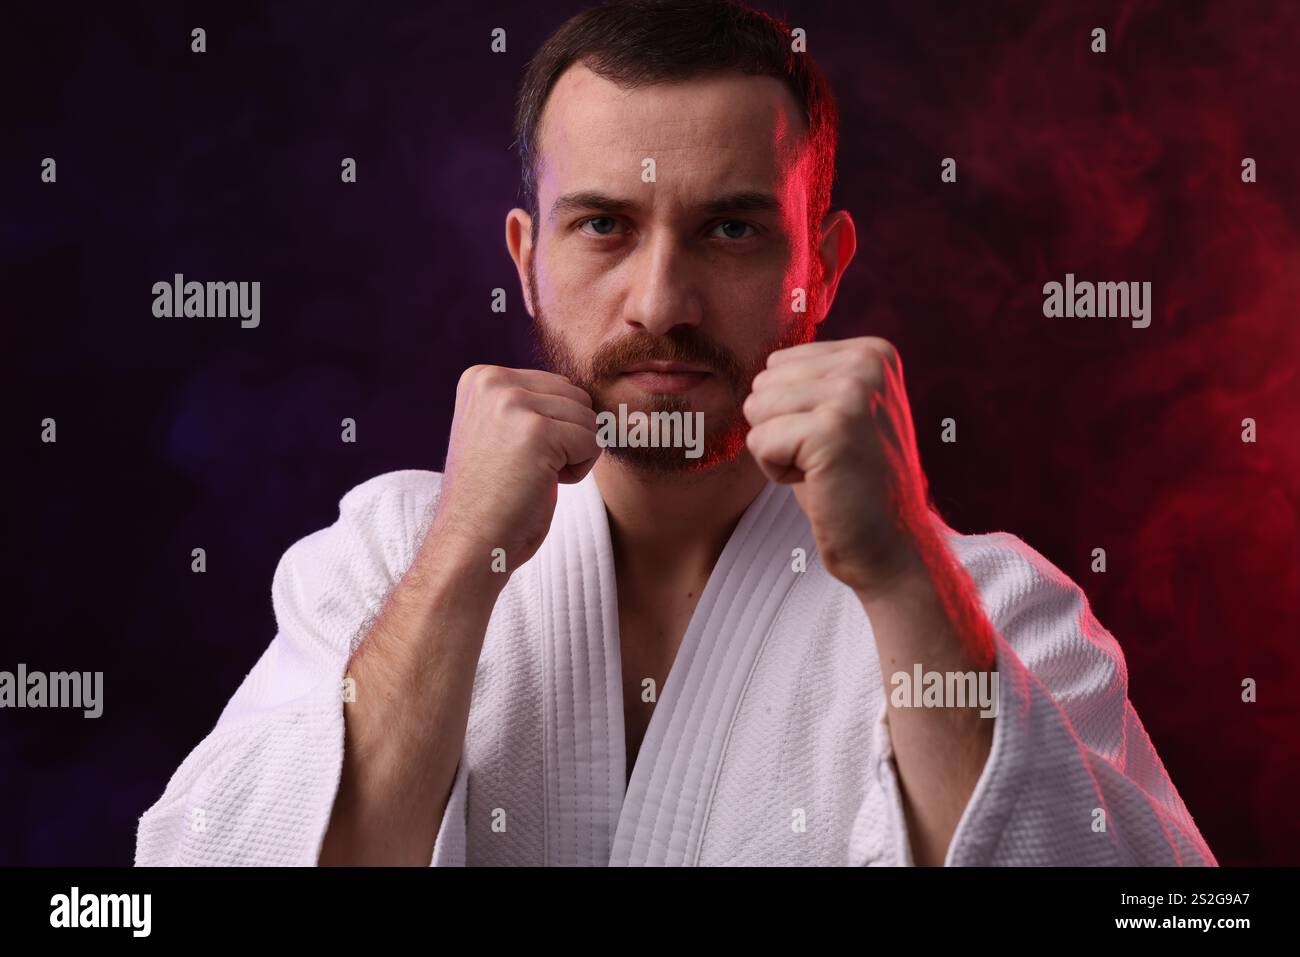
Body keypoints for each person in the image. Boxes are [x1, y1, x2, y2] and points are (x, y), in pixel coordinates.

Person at [135, 0, 1216, 867]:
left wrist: (901, 577)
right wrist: (461, 560)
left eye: (732, 229)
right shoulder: (386, 554)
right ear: (527, 258)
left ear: (822, 268)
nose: (661, 302)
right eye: (604, 224)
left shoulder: (990, 604)